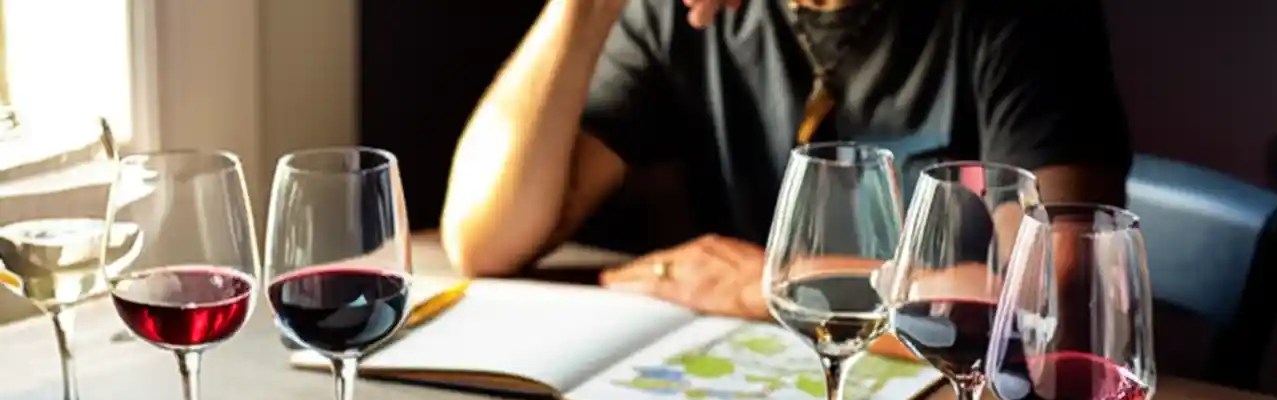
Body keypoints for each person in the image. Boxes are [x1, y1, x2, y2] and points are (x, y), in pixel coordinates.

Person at [440, 0, 1132, 319]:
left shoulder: (1024, 17)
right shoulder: (684, 16)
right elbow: (486, 238)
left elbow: (1052, 296)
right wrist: (583, 7)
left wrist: (775, 286)